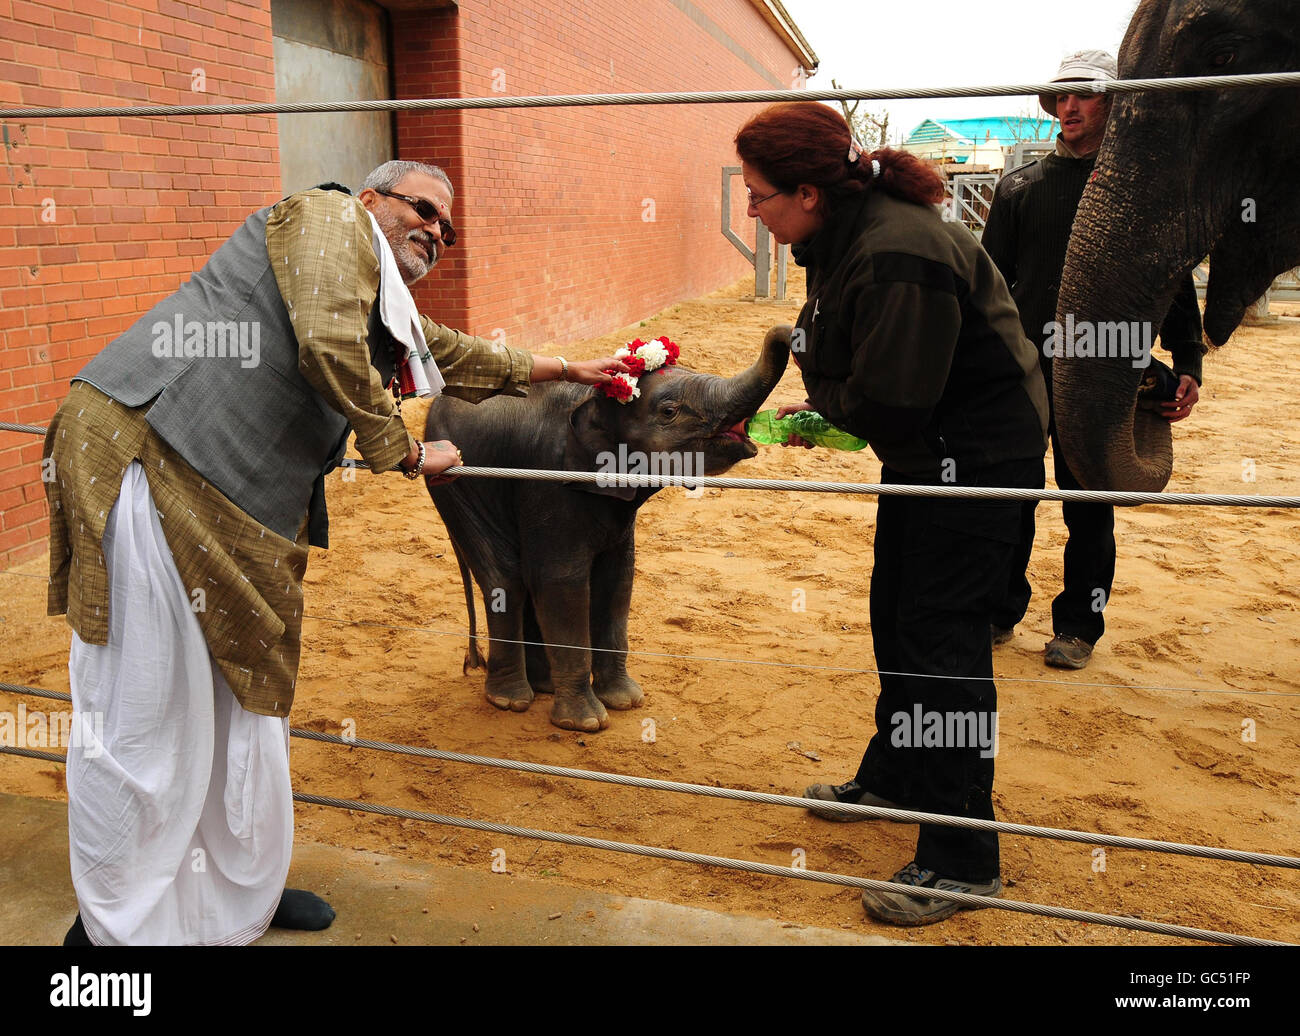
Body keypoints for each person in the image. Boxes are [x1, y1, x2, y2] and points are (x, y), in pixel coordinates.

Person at [43, 159, 625, 946]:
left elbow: (445, 351)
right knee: (148, 704)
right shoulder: (326, 219)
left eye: (449, 230)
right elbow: (322, 338)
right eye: (423, 208)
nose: (436, 231)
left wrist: (565, 368)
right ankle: (110, 927)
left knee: (241, 703)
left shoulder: (376, 294)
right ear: (371, 196)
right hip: (156, 457)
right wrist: (407, 452)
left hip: (241, 511)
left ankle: (232, 886)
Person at [734, 103, 1048, 926]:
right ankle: (902, 773)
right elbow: (838, 349)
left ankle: (961, 856)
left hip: (974, 463)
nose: (753, 211)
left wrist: (821, 397)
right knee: (898, 620)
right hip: (928, 458)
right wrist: (823, 376)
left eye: (759, 195)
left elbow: (892, 400)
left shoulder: (899, 248)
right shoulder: (836, 235)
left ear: (807, 190)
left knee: (943, 648)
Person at [981, 50, 1206, 669]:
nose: (1070, 106)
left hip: (1106, 375)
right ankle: (1000, 610)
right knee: (1010, 497)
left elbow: (1174, 280)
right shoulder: (1019, 188)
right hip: (1026, 370)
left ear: (1119, 104)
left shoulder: (1143, 191)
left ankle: (1079, 626)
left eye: (1087, 95)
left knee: (1089, 507)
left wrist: (1188, 358)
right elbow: (990, 284)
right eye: (1062, 96)